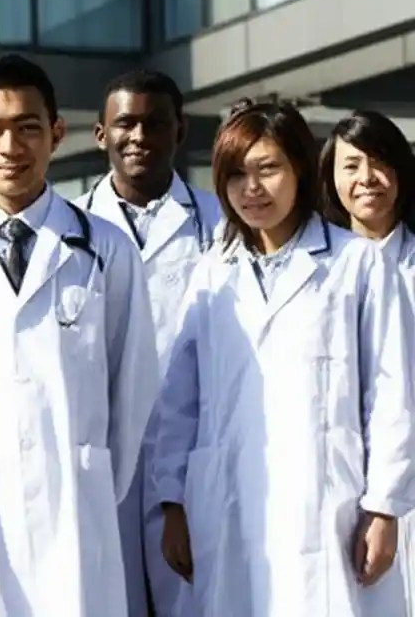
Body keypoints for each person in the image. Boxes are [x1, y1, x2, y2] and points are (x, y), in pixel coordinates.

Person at [0, 55, 159, 616]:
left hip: (74, 513)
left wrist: (84, 474)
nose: (10, 147)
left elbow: (134, 388)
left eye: (27, 128)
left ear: (57, 134)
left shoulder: (107, 249)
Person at [154, 100, 414, 616]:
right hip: (226, 501)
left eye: (267, 169)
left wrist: (385, 506)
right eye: (236, 175)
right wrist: (173, 502)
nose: (252, 189)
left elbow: (391, 393)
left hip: (327, 504)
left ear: (299, 166)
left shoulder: (355, 264)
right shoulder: (212, 274)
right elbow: (179, 399)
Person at [78, 69, 222, 617]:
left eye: (154, 123)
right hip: (104, 447)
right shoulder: (72, 227)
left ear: (180, 130)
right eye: (125, 124)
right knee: (105, 598)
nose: (139, 136)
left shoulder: (220, 222)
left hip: (188, 448)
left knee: (192, 597)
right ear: (100, 135)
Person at [321, 109, 415, 612]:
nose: (366, 179)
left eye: (379, 163)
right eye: (351, 165)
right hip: (340, 487)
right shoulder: (318, 274)